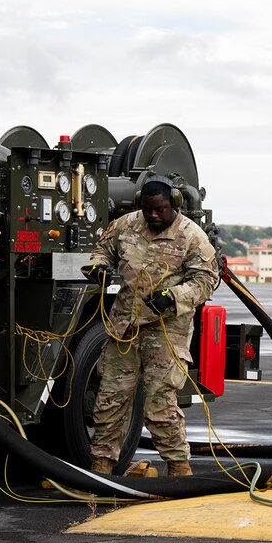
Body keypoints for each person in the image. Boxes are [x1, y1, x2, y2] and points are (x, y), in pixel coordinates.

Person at [81, 177, 218, 477]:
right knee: (110, 400)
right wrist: (98, 267)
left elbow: (207, 280)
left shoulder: (191, 236)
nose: (154, 215)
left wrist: (173, 297)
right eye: (148, 210)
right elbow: (102, 250)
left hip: (166, 331)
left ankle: (179, 469)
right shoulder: (125, 225)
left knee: (160, 403)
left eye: (161, 210)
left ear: (175, 205)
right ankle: (101, 467)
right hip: (125, 328)